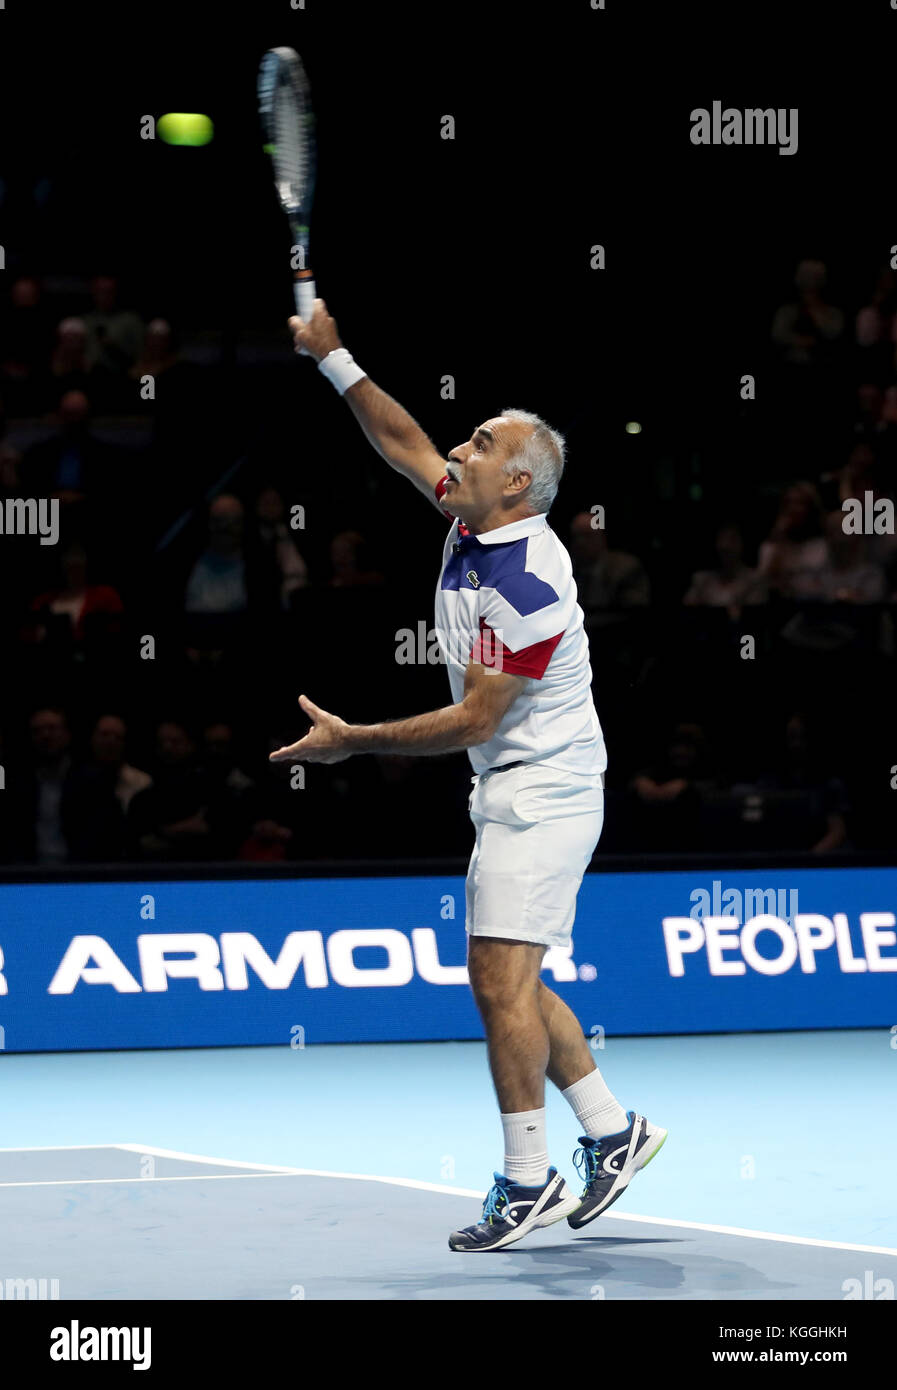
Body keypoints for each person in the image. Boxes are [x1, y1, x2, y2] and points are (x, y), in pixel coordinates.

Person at [269, 299, 667, 1252]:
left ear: (519, 484)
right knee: (514, 976)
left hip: (545, 788)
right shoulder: (470, 509)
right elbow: (400, 436)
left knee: (495, 978)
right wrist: (334, 357)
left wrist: (354, 739)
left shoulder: (525, 580)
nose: (459, 448)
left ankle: (525, 1177)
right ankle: (615, 1132)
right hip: (515, 785)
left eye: (482, 443)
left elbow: (475, 717)